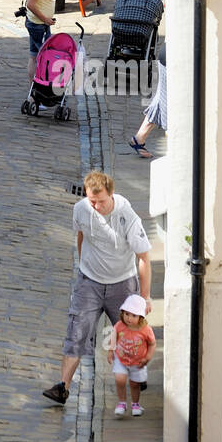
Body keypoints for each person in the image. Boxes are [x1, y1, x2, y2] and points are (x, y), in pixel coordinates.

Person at [43, 170, 152, 405]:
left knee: (130, 335)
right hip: (89, 283)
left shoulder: (127, 216)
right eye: (92, 201)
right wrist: (83, 266)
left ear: (111, 194)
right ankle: (63, 387)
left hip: (122, 284)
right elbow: (81, 235)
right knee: (76, 332)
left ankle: (137, 373)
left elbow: (143, 258)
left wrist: (145, 297)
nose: (96, 206)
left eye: (101, 201)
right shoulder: (81, 209)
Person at [108, 293, 155, 417]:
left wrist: (147, 358)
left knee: (135, 384)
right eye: (126, 314)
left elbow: (152, 344)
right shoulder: (120, 326)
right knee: (120, 379)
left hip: (138, 362)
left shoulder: (146, 330)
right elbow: (113, 337)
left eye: (133, 315)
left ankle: (135, 404)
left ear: (141, 317)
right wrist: (110, 351)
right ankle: (122, 402)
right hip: (121, 358)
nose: (129, 318)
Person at [130, 43, 167, 158]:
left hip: (166, 54)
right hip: (173, 58)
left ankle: (139, 138)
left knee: (162, 98)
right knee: (169, 104)